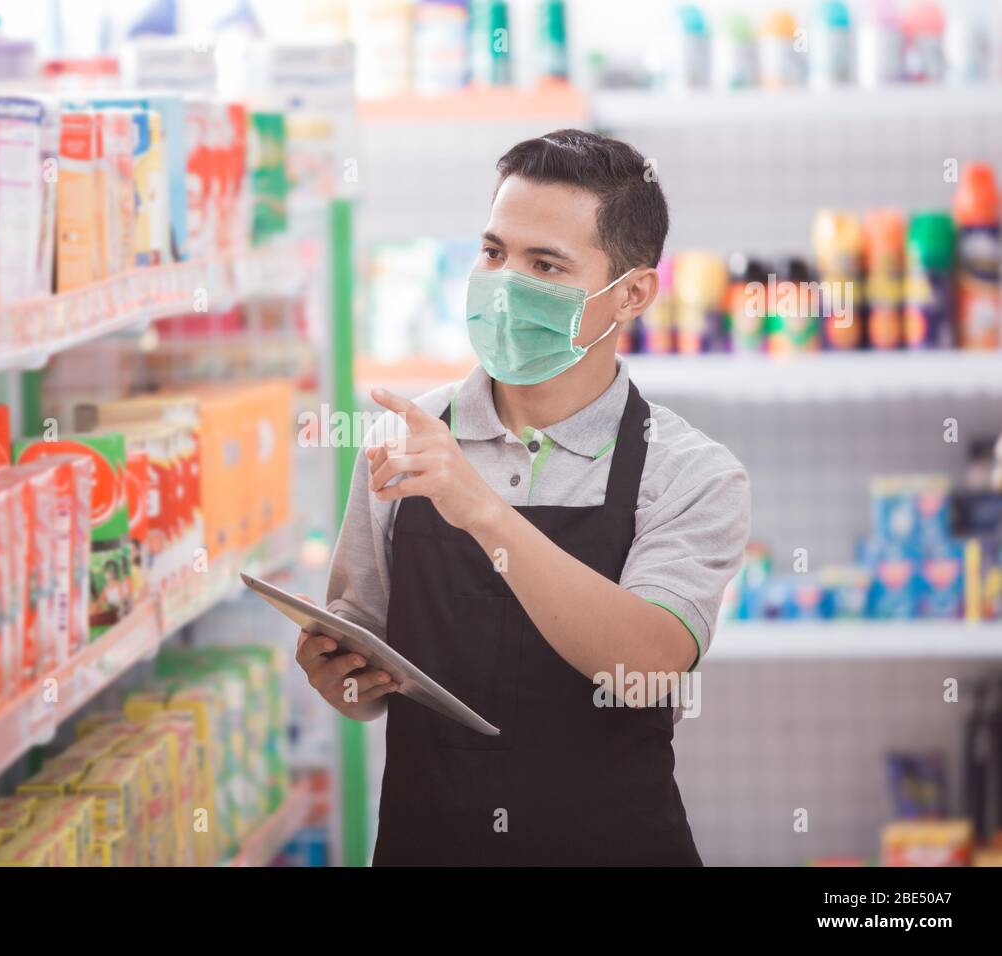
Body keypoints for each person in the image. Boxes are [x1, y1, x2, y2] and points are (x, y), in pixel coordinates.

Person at [297, 129, 751, 866]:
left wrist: (477, 506)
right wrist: (338, 678)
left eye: (545, 264)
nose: (505, 283)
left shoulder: (691, 474)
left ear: (632, 293)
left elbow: (648, 668)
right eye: (493, 251)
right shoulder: (402, 439)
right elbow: (368, 686)